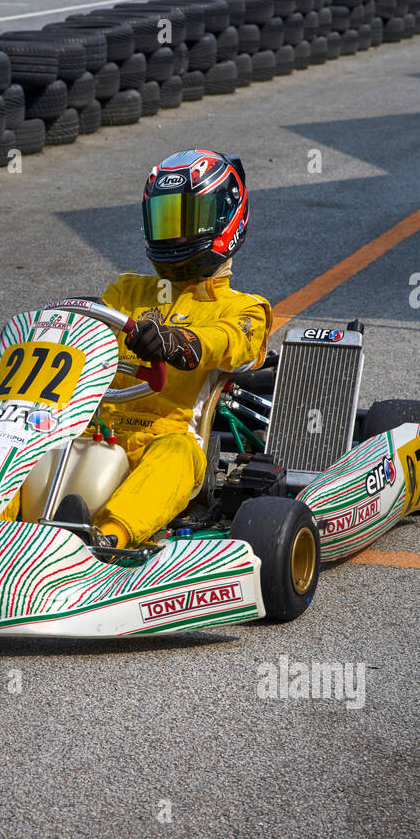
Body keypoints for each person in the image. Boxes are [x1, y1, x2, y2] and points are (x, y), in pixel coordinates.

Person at [91, 149, 274, 548]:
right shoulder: (127, 290)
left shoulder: (243, 309)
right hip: (97, 431)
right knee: (39, 435)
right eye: (166, 219)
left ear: (226, 219)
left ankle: (108, 539)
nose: (175, 234)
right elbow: (86, 335)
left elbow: (229, 342)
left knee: (175, 455)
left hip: (167, 438)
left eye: (189, 219)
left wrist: (181, 342)